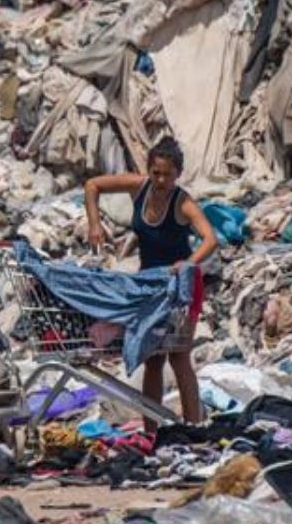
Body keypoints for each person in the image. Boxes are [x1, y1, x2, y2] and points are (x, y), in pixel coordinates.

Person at [83, 136, 218, 428]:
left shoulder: (183, 203)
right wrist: (94, 224)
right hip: (149, 287)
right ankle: (151, 432)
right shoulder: (139, 187)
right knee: (153, 359)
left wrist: (189, 263)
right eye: (155, 172)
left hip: (180, 288)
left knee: (179, 356)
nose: (160, 179)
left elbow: (210, 239)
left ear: (178, 174)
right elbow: (93, 185)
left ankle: (193, 428)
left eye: (167, 174)